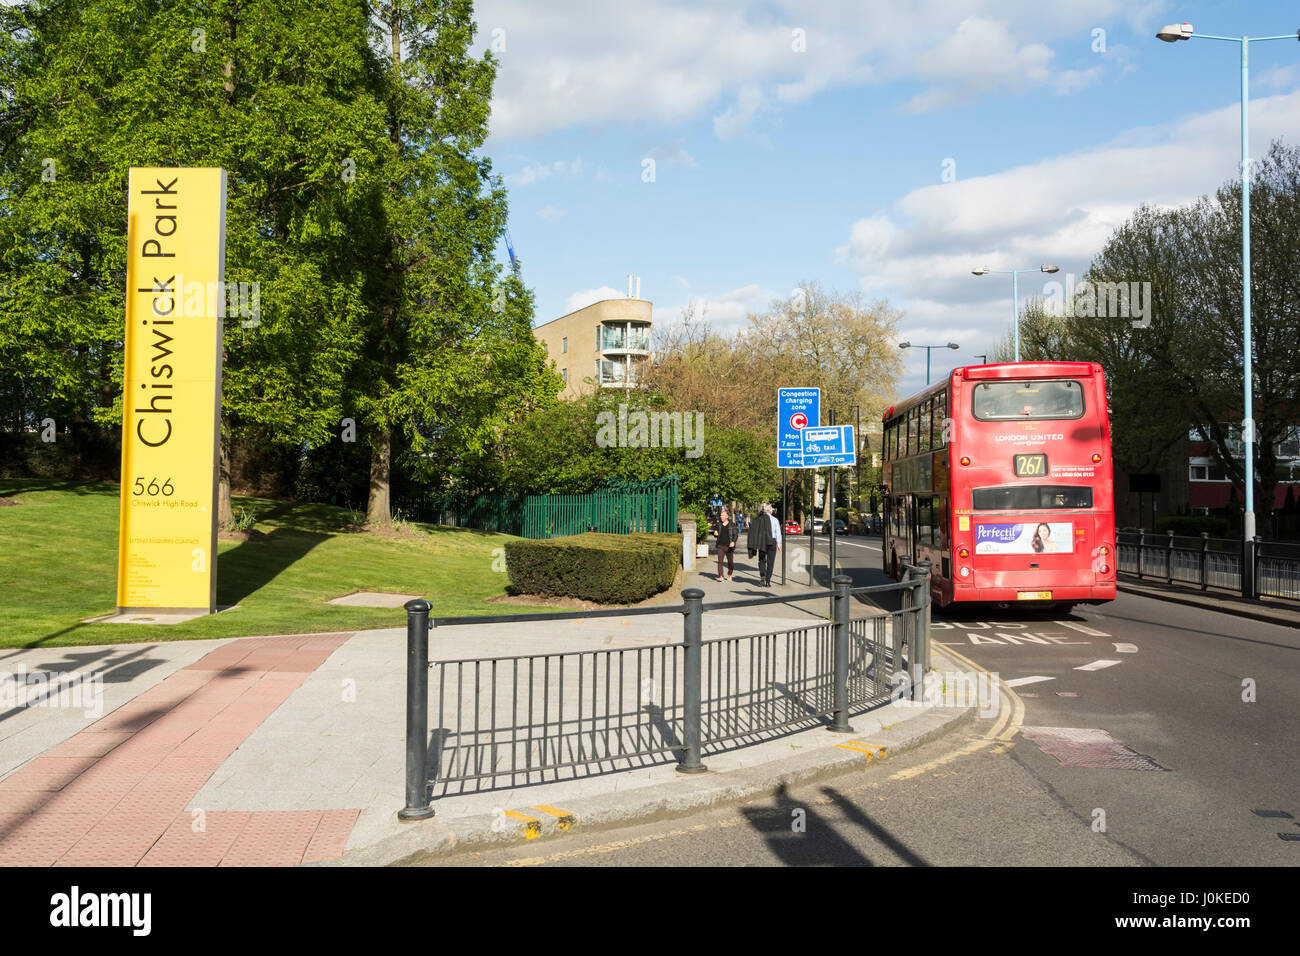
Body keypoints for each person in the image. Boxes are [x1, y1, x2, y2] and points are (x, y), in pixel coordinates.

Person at [714, 507, 738, 581]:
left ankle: (729, 574)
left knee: (730, 562)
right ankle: (720, 576)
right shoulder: (719, 525)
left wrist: (733, 542)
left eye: (723, 515)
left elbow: (735, 535)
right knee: (720, 562)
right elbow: (716, 533)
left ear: (727, 516)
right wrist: (715, 534)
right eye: (721, 515)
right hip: (720, 546)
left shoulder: (732, 525)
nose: (721, 517)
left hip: (729, 546)